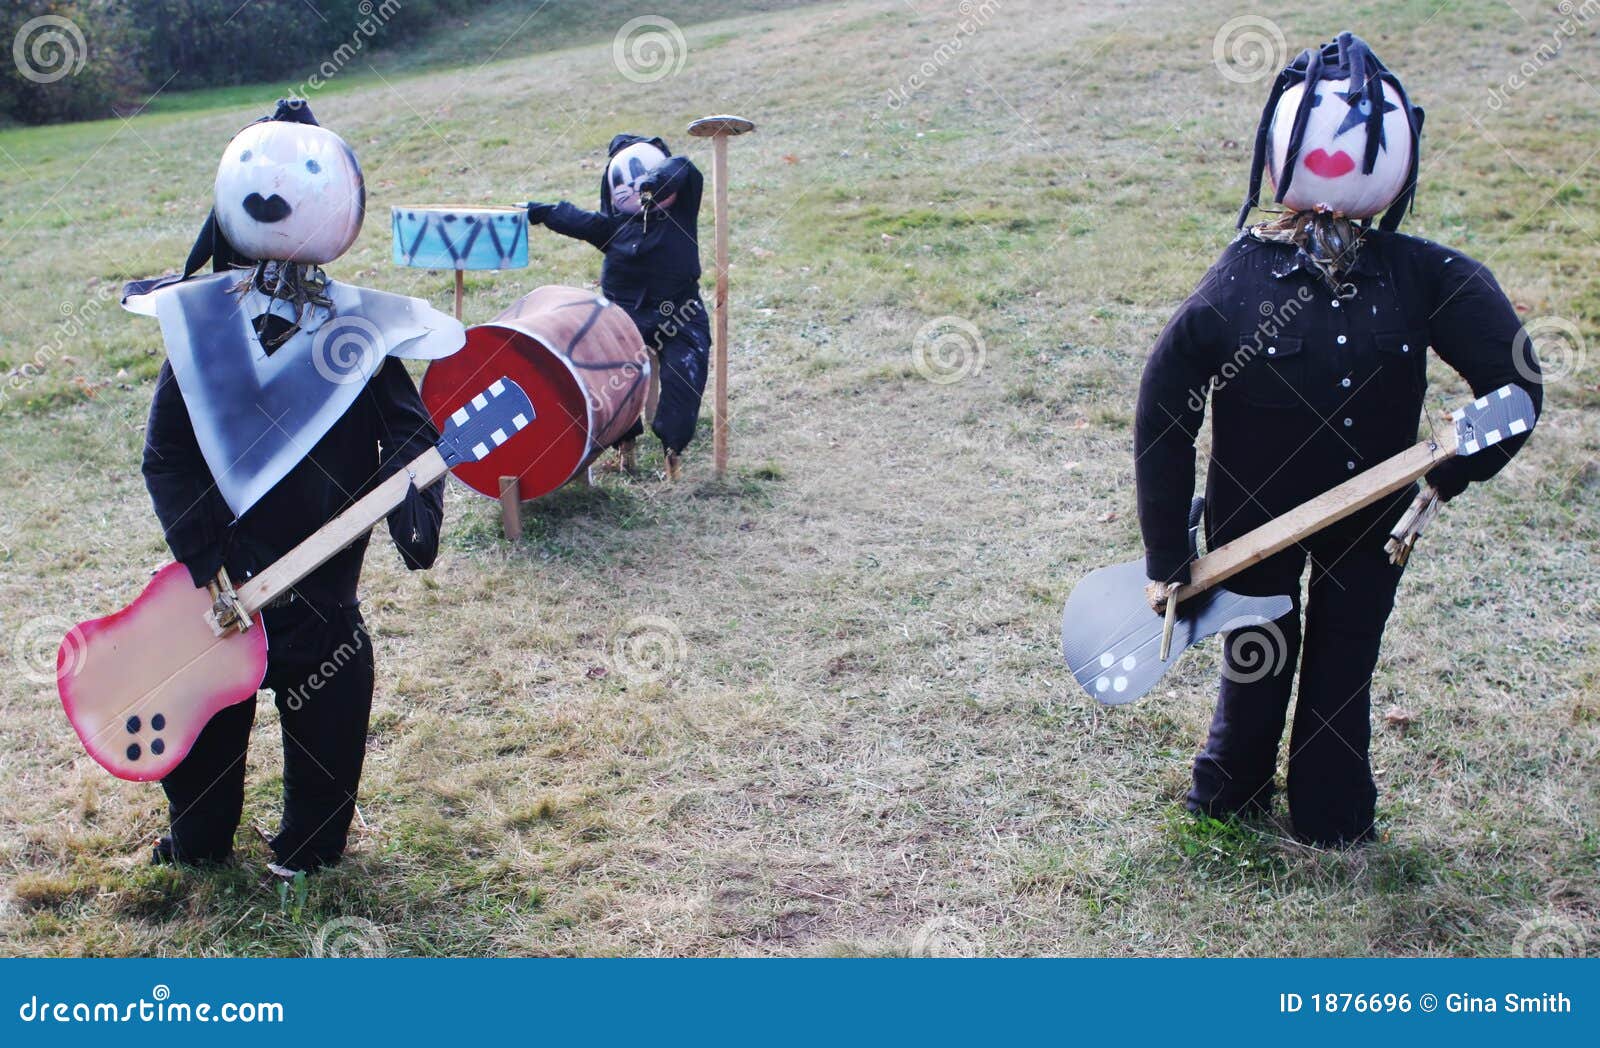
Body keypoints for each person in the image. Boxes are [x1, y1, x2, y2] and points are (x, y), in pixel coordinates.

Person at [1133, 33, 1541, 846]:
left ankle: (1332, 808)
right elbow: (1165, 402)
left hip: (1375, 520)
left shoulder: (1427, 273)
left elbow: (1518, 384)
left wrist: (1451, 470)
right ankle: (1230, 791)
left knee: (1345, 657)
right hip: (1253, 521)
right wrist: (1165, 552)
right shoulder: (1239, 275)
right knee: (1258, 652)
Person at [129, 99, 462, 873]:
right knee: (208, 715)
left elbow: (412, 431)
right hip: (222, 587)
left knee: (331, 712)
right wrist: (201, 550)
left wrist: (410, 503)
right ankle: (200, 838)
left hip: (322, 585)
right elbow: (168, 455)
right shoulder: (200, 326)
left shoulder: (360, 328)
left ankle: (311, 847)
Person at [525, 134, 710, 478]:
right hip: (623, 319)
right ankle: (624, 442)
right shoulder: (612, 228)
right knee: (607, 376)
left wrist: (657, 181)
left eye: (643, 178)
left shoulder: (681, 214)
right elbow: (575, 219)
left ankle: (673, 447)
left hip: (681, 313)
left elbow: (685, 167)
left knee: (685, 373)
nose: (635, 187)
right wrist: (540, 212)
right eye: (624, 183)